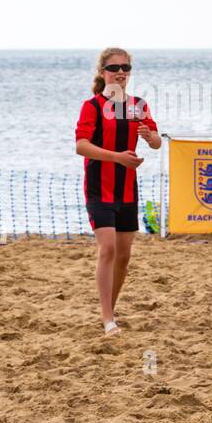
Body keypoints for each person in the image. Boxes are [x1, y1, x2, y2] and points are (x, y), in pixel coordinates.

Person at [74, 47, 161, 335]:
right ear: (103, 73)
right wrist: (117, 157)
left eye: (125, 67)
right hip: (99, 187)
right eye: (114, 68)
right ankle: (107, 317)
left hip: (127, 188)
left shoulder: (138, 105)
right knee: (108, 249)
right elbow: (81, 146)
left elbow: (157, 142)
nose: (121, 72)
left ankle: (108, 308)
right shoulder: (93, 106)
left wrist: (150, 137)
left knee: (124, 255)